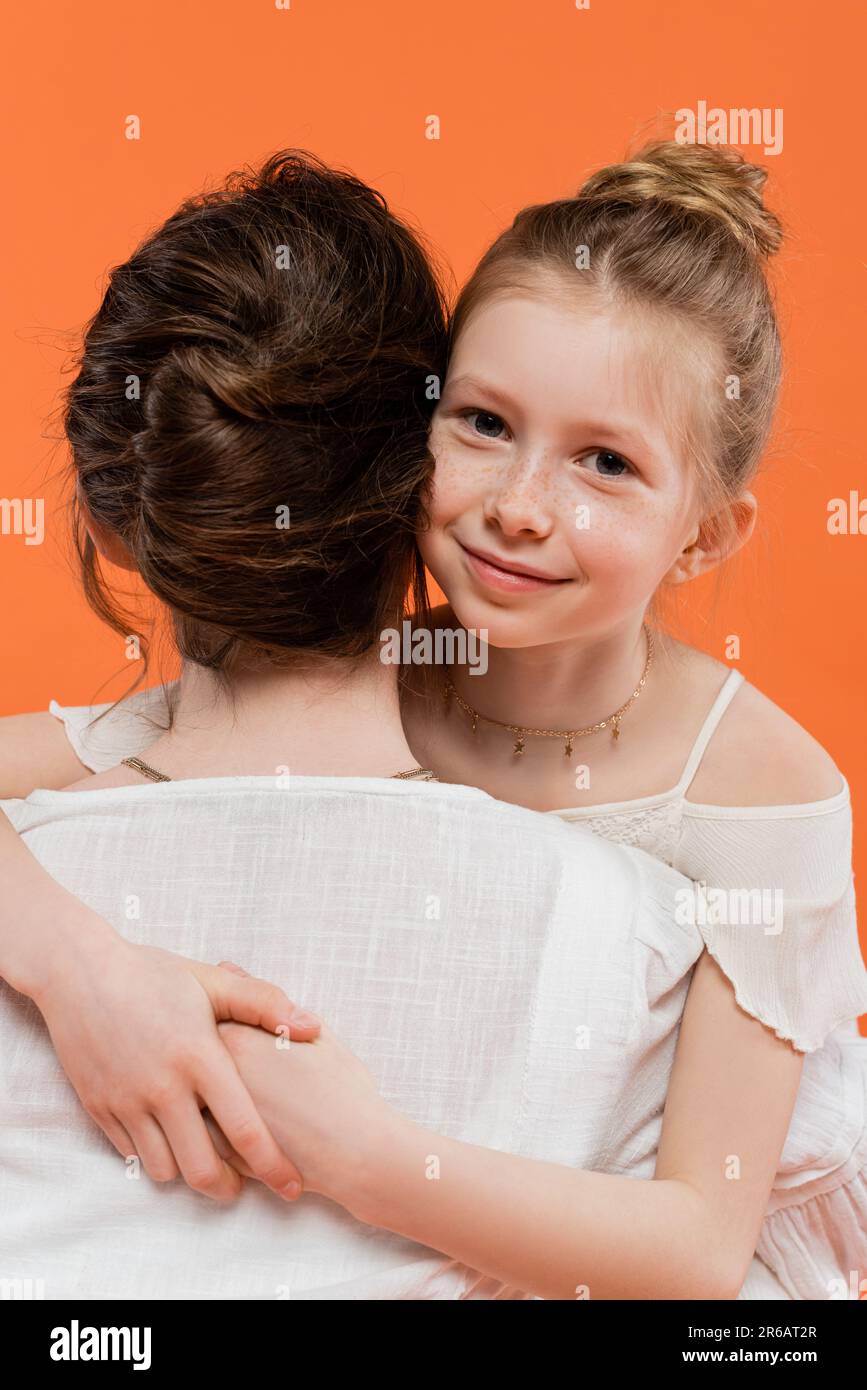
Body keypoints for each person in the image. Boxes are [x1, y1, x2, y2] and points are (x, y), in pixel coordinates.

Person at [1, 142, 865, 1299]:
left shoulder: (759, 790)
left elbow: (702, 1245)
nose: (518, 509)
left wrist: (367, 1156)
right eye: (486, 424)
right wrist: (82, 968)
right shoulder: (384, 664)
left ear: (704, 535)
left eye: (605, 463)